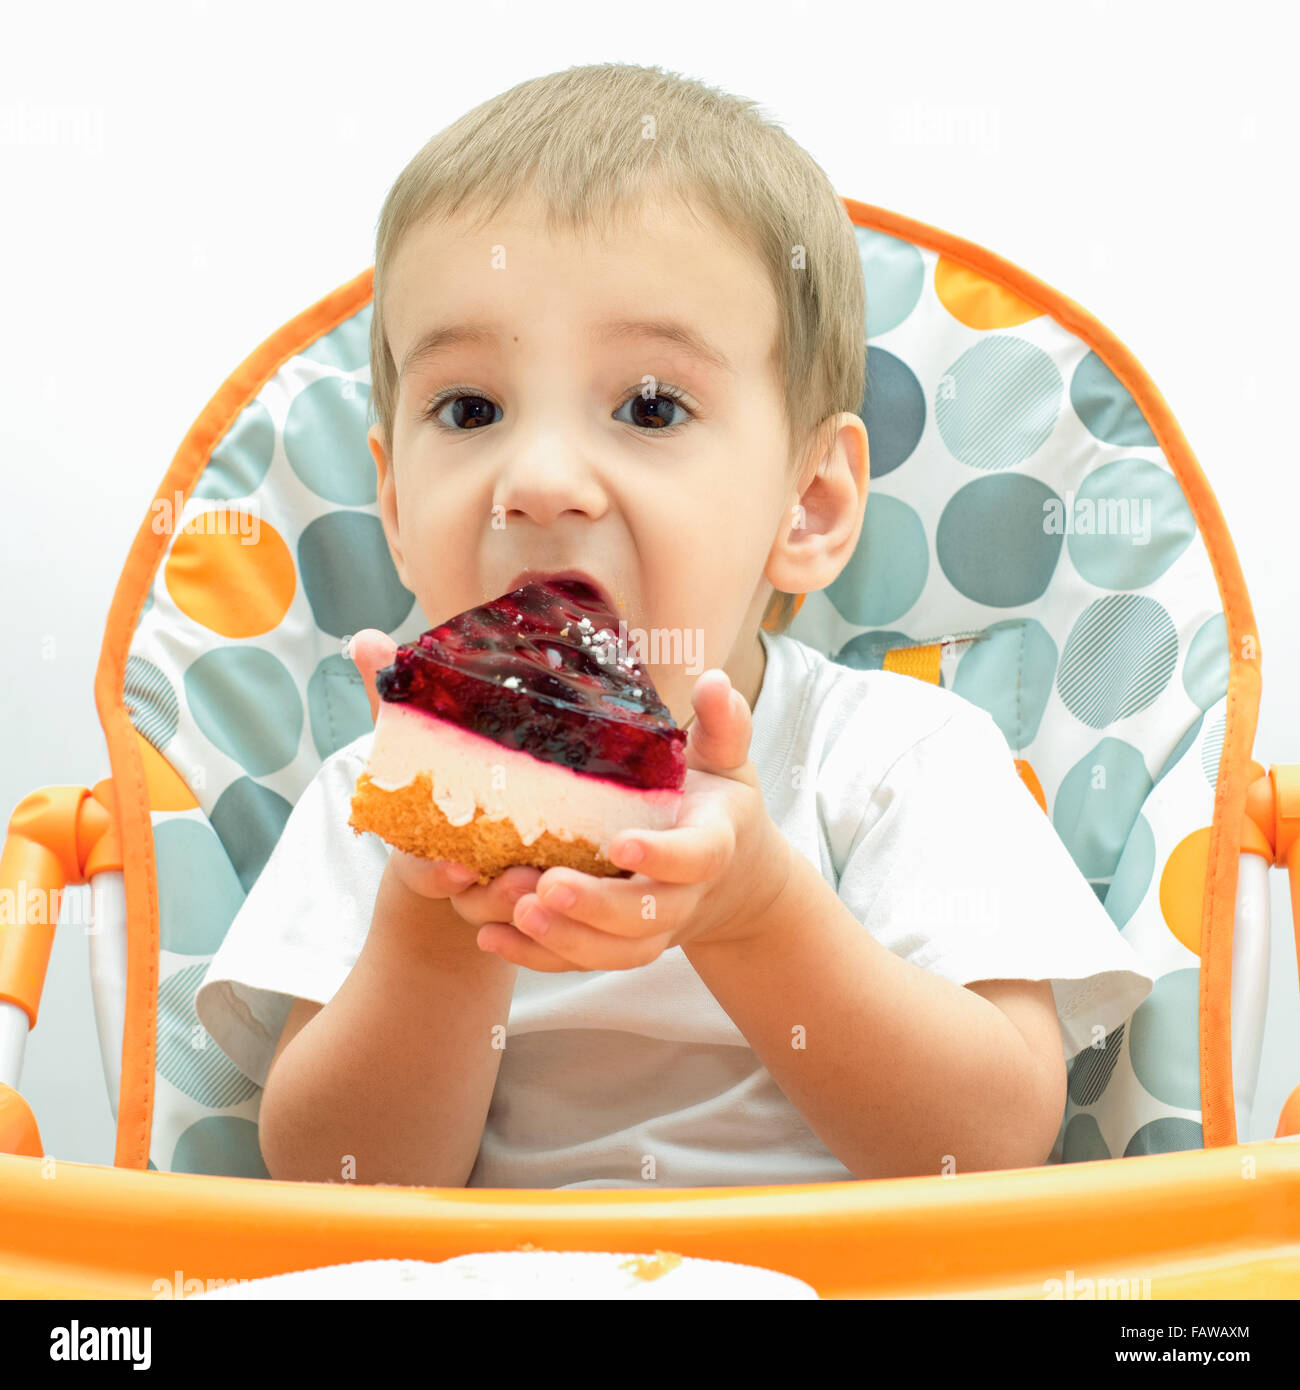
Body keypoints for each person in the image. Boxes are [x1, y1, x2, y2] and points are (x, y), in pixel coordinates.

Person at [196, 62, 1154, 1190]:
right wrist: (433, 922)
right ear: (396, 511)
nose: (541, 480)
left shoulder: (896, 758)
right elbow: (332, 1187)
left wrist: (756, 912)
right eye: (469, 409)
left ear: (809, 506)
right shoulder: (381, 805)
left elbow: (988, 1142)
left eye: (650, 406)